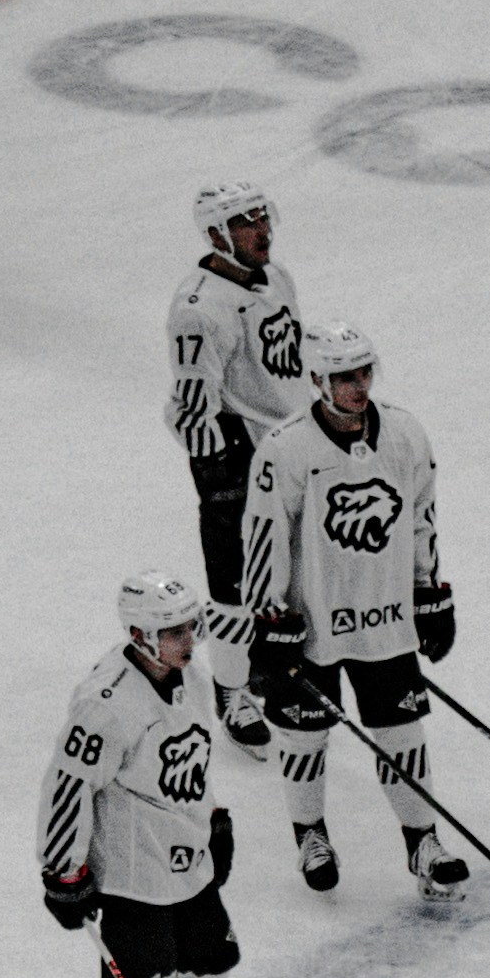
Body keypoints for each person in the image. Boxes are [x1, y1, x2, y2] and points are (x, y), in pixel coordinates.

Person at [241, 322, 469, 899]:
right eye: (344, 376)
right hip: (310, 623)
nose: (357, 385)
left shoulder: (405, 435)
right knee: (305, 738)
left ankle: (423, 843)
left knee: (402, 731)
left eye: (364, 372)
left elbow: (422, 517)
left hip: (384, 617)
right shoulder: (285, 448)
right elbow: (263, 536)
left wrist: (429, 593)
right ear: (317, 380)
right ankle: (310, 835)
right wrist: (270, 619)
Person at [38, 570, 241, 978]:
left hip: (188, 860)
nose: (190, 640)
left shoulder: (189, 676)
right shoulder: (105, 703)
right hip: (133, 875)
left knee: (210, 966)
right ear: (139, 633)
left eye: (190, 626)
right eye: (175, 631)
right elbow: (67, 786)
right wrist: (62, 870)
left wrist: (214, 823)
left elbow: (195, 758)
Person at [162, 182, 304, 755]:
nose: (262, 230)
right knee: (234, 584)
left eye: (262, 217)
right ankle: (232, 690)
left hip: (292, 445)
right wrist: (222, 474)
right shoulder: (198, 311)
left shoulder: (279, 277)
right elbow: (194, 408)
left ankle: (274, 670)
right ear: (218, 235)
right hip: (233, 454)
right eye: (247, 223)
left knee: (290, 570)